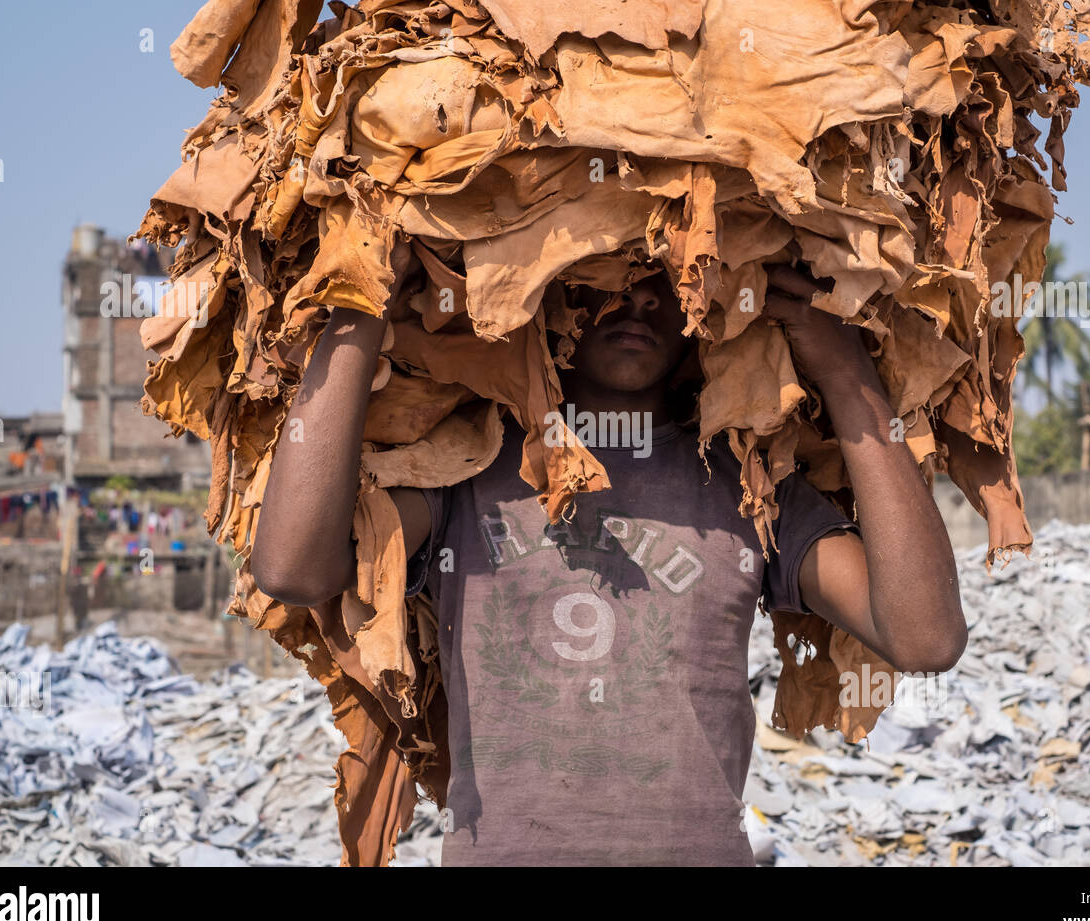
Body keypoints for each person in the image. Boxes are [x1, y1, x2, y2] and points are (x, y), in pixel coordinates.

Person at [251, 242, 967, 866]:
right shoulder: (469, 468)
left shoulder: (746, 487)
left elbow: (925, 635)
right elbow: (293, 571)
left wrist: (847, 375)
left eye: (668, 277)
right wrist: (360, 309)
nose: (639, 299)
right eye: (606, 273)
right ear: (550, 292)